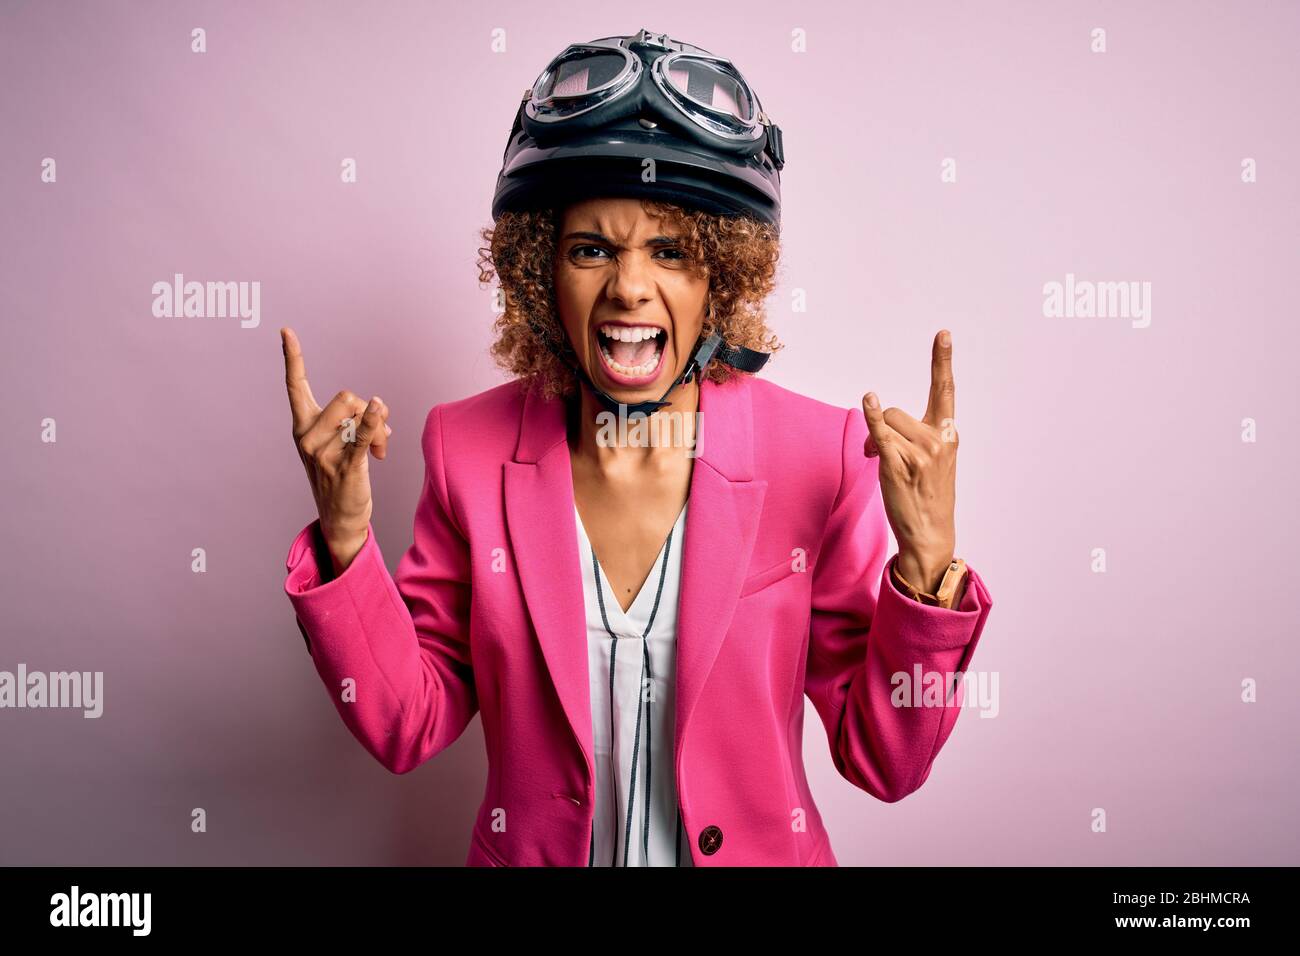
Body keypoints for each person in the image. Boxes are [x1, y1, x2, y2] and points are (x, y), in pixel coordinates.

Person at [281, 28, 993, 867]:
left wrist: (929, 568)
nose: (628, 286)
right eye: (591, 250)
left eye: (671, 252)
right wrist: (344, 538)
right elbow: (409, 721)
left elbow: (885, 760)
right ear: (541, 272)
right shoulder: (466, 452)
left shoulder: (821, 456)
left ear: (721, 278)